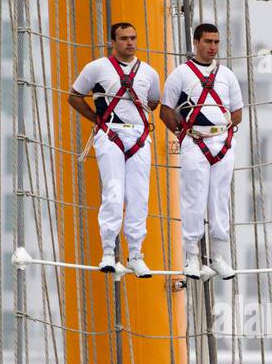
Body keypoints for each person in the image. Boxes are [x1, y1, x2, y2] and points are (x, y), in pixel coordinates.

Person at [68, 20, 160, 275]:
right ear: (113, 41)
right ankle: (108, 250)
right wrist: (97, 120)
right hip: (110, 134)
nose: (130, 43)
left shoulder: (149, 73)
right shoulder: (96, 68)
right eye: (124, 38)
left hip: (139, 137)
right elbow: (74, 96)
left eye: (133, 38)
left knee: (139, 195)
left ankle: (136, 253)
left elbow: (153, 102)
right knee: (113, 191)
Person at [160, 23, 243, 279]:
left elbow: (237, 113)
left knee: (219, 199)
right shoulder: (181, 74)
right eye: (208, 41)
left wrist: (220, 134)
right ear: (196, 42)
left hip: (223, 143)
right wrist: (184, 135)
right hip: (193, 142)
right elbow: (165, 110)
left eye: (216, 42)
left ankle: (218, 256)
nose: (213, 47)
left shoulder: (227, 75)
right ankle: (191, 257)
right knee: (193, 199)